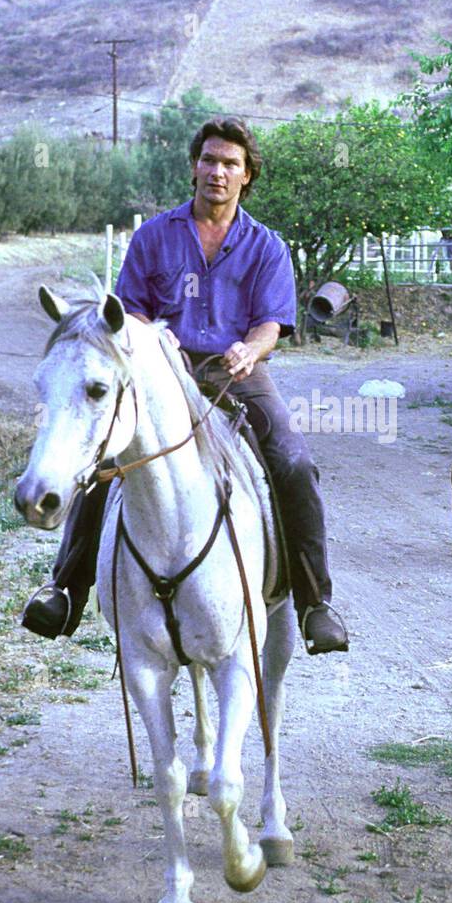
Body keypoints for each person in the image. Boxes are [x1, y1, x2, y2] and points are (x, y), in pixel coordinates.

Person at [22, 116, 349, 656]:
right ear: (194, 167)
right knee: (106, 457)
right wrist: (154, 338)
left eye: (230, 164)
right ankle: (64, 589)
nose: (217, 172)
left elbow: (271, 322)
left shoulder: (266, 246)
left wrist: (252, 346)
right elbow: (125, 316)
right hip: (158, 370)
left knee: (291, 459)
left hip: (233, 371)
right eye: (209, 160)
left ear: (247, 176)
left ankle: (315, 602)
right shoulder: (154, 237)